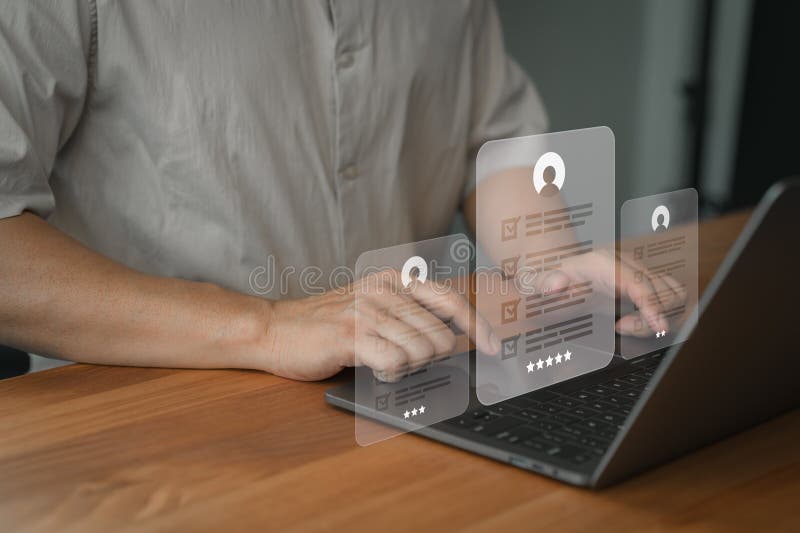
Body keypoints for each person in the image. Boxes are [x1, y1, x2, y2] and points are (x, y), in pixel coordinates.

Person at [0, 1, 672, 381]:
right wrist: (265, 327)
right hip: (153, 422)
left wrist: (547, 268)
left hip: (411, 391)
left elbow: (487, 142)